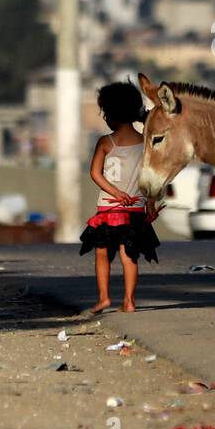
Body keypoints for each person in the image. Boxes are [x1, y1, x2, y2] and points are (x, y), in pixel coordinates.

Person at [80, 81, 160, 313]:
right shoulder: (146, 144)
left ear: (110, 114)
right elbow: (151, 178)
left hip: (108, 209)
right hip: (135, 209)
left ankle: (104, 298)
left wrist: (115, 193)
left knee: (102, 253)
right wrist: (151, 205)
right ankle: (129, 301)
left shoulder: (106, 142)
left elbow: (95, 173)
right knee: (129, 255)